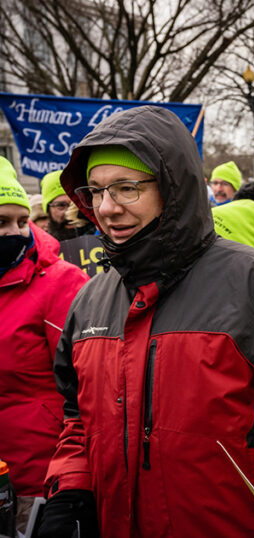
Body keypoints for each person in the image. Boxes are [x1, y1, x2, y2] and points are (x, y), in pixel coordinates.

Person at [39, 106, 254, 538]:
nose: (107, 208)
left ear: (172, 186)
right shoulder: (91, 300)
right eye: (95, 191)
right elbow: (78, 416)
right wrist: (72, 489)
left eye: (127, 188)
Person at [0, 157, 89, 535]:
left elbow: (87, 387)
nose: (15, 233)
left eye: (22, 221)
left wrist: (72, 484)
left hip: (39, 473)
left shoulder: (61, 282)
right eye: (1, 222)